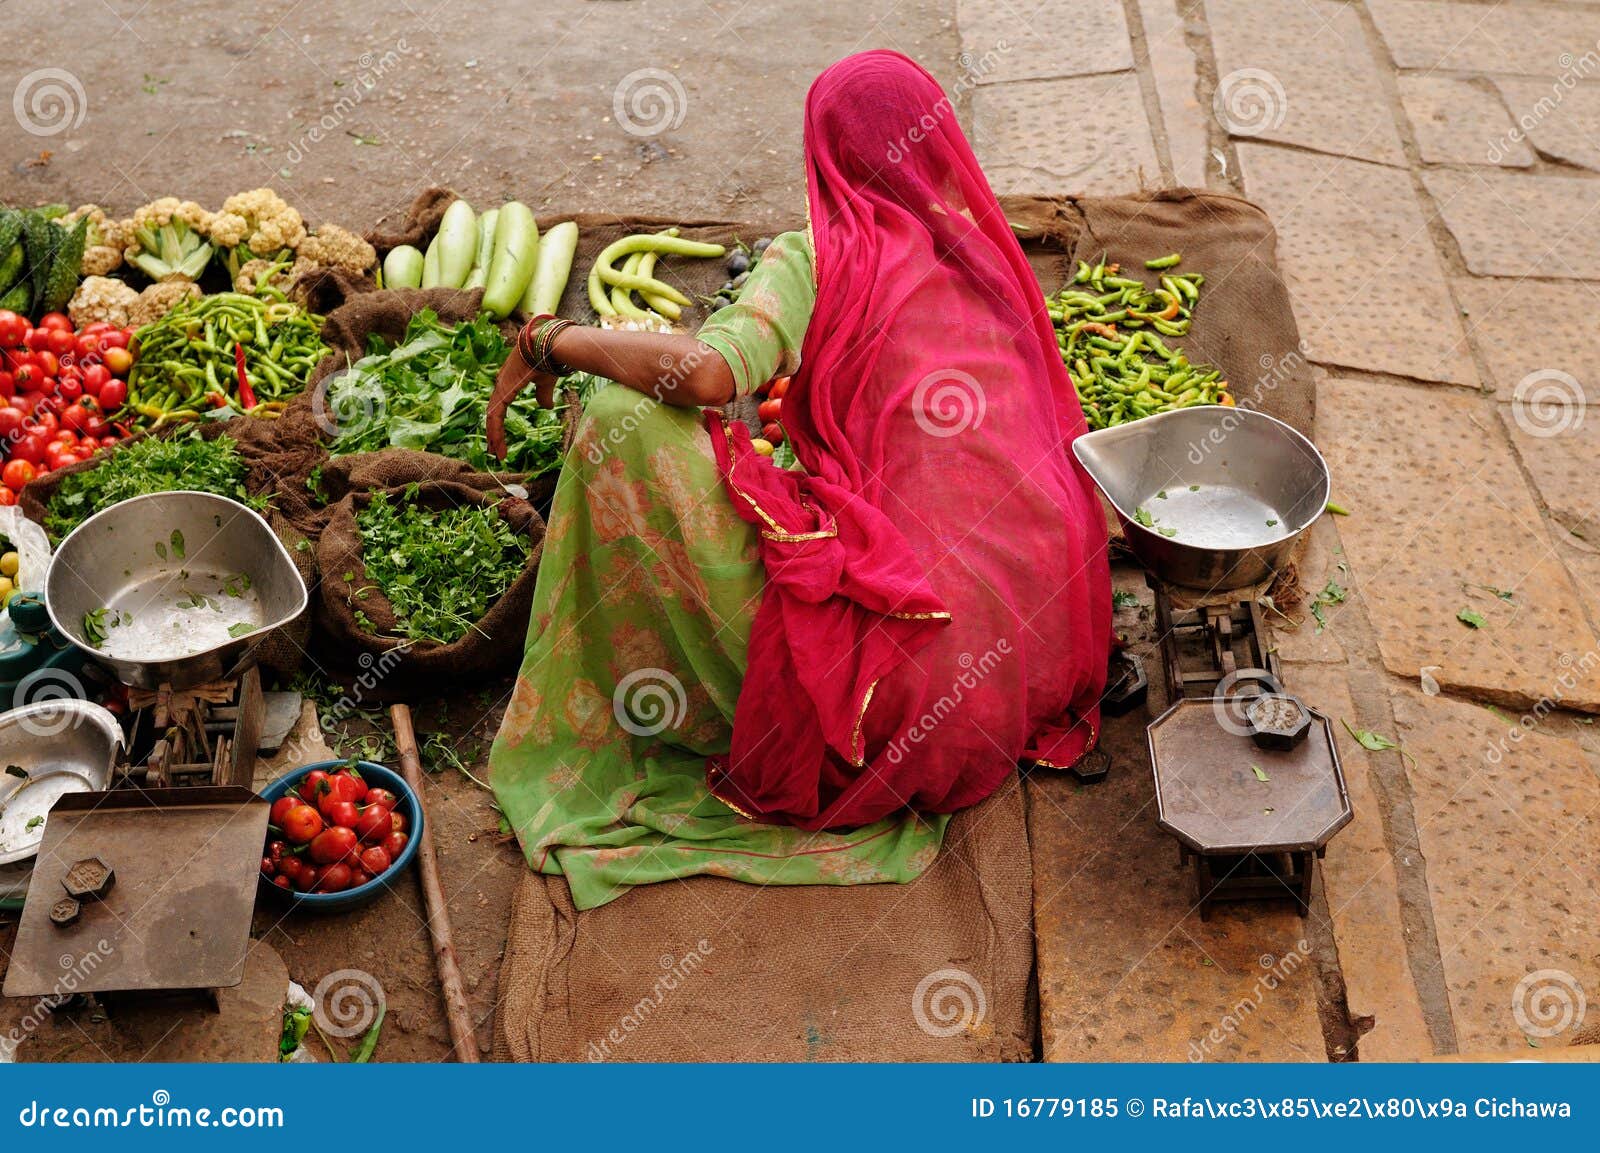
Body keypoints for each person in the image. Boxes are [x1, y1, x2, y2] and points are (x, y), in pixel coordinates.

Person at [485, 49, 1111, 910]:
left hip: (888, 702)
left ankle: (675, 698)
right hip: (1012, 676)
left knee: (619, 420)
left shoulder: (825, 257)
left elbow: (708, 374)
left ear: (823, 154)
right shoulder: (987, 256)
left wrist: (548, 340)